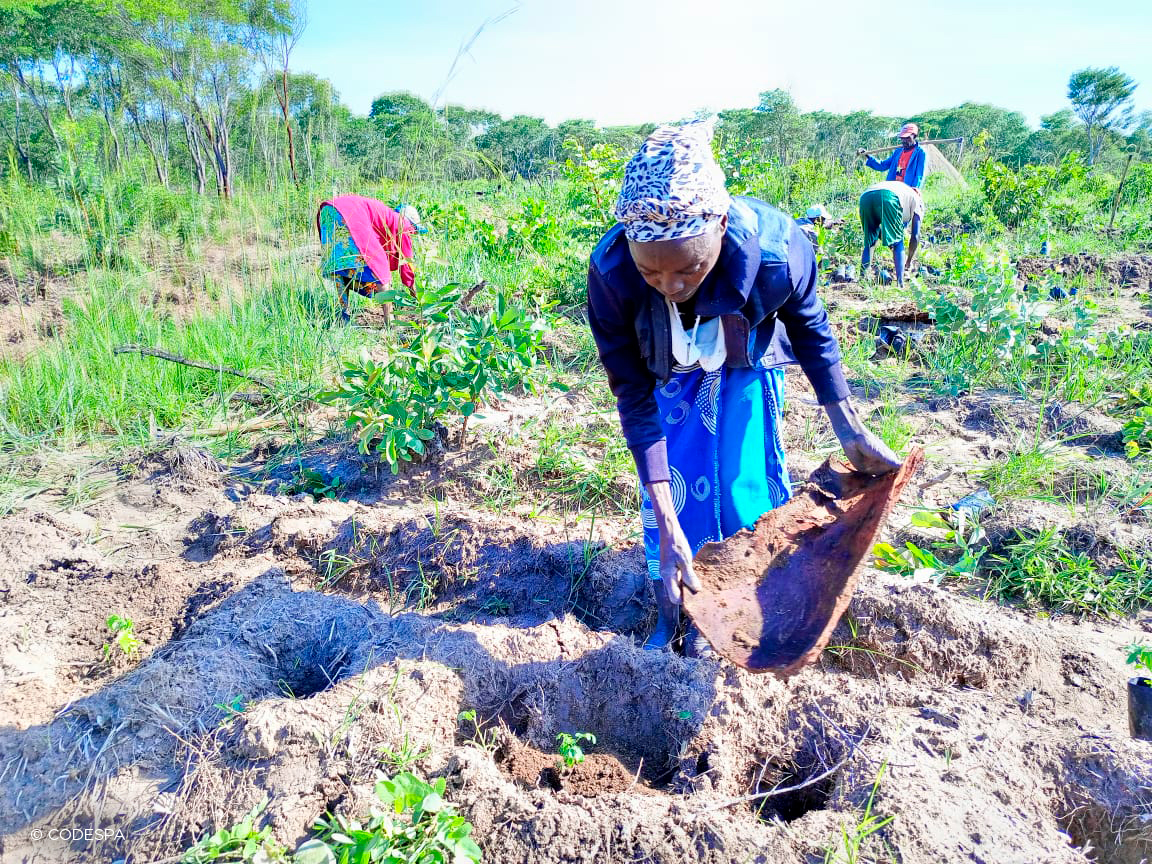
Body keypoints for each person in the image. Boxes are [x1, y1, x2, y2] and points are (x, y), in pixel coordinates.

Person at [586, 120, 902, 656]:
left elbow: (811, 329)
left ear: (722, 223)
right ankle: (674, 612)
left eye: (688, 267)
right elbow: (632, 394)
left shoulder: (778, 250)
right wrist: (666, 522)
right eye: (652, 272)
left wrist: (850, 430)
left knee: (743, 481)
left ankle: (753, 609)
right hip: (668, 369)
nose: (671, 285)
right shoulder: (612, 273)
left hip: (744, 357)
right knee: (677, 495)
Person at [315, 196, 424, 320]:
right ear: (411, 224)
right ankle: (390, 323)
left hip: (328, 211)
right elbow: (407, 264)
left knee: (340, 268)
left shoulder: (386, 216)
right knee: (381, 272)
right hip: (350, 212)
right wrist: (416, 295)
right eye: (414, 231)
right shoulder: (402, 223)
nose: (412, 234)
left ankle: (344, 317)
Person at [858, 180, 924, 287]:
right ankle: (900, 283)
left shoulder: (903, 190)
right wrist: (908, 261)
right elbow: (915, 236)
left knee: (870, 242)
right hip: (888, 197)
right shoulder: (917, 200)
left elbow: (880, 231)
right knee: (898, 243)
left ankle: (862, 279)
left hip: (866, 197)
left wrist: (889, 241)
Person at [858, 122, 926, 189]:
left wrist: (915, 189)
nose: (904, 141)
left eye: (907, 138)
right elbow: (882, 166)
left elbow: (919, 175)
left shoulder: (920, 153)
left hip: (907, 190)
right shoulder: (898, 152)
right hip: (893, 188)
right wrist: (867, 155)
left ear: (914, 136)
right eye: (902, 138)